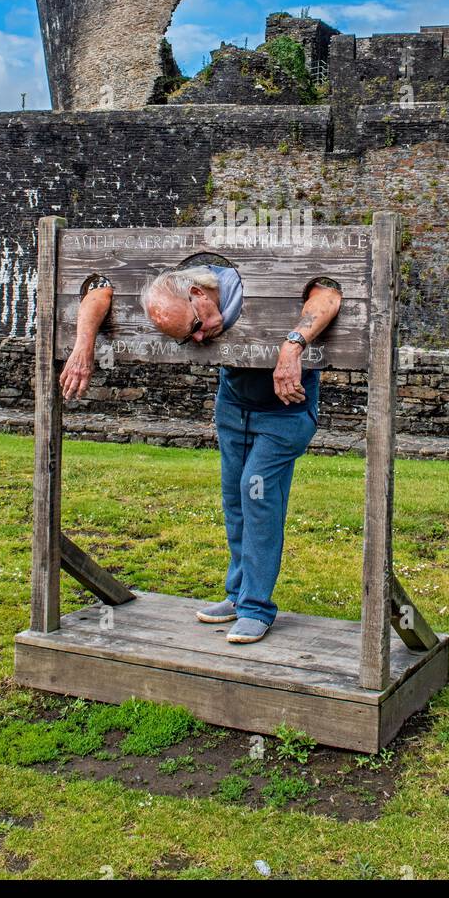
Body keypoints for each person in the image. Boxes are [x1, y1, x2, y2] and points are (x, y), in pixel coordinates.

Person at [59, 260, 342, 644]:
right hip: (233, 407)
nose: (198, 340)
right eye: (185, 338)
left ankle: (256, 607)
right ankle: (237, 594)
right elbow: (100, 287)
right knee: (234, 500)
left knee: (256, 494)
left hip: (284, 409)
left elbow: (329, 291)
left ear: (198, 295)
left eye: (194, 327)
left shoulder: (253, 276)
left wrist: (293, 344)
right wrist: (83, 344)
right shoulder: (180, 280)